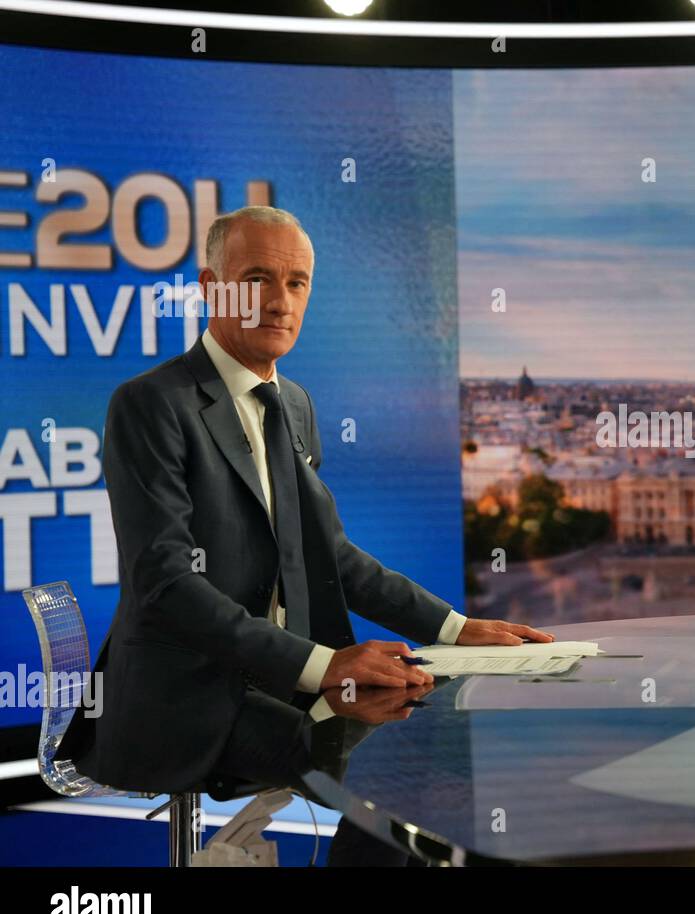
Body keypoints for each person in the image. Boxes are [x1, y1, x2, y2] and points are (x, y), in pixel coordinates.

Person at [55, 206, 552, 862]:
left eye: (297, 283)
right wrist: (323, 666)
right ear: (211, 288)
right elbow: (165, 585)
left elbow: (334, 557)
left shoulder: (294, 406)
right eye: (258, 278)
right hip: (189, 696)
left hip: (283, 679)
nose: (281, 301)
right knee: (392, 783)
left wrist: (456, 629)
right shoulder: (151, 405)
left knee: (442, 752)